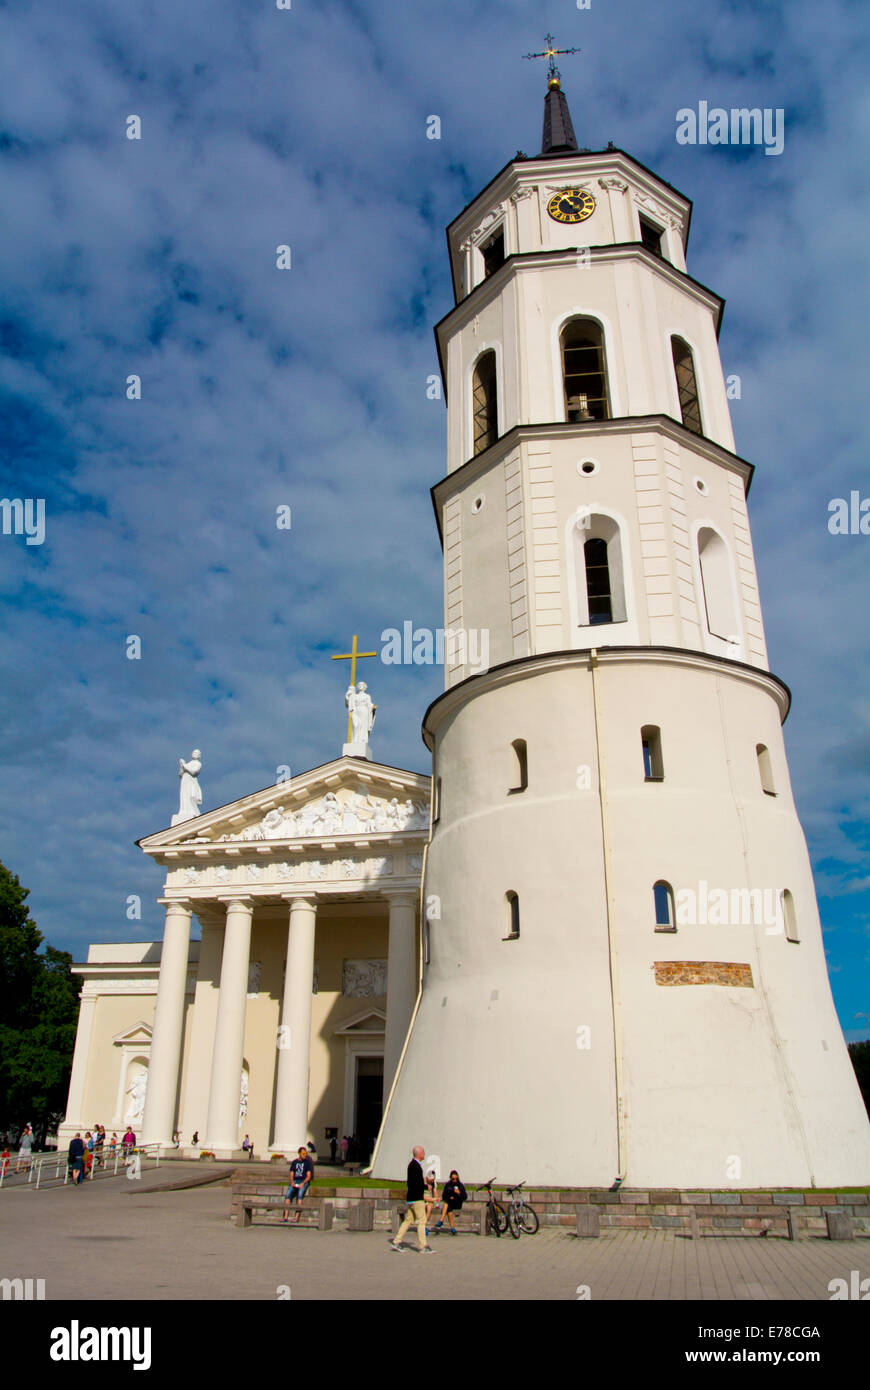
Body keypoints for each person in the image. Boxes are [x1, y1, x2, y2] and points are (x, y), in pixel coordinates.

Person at [390, 1145, 433, 1253]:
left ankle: (396, 1241)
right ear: (419, 1154)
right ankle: (423, 1246)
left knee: (408, 1220)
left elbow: (411, 1183)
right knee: (422, 1221)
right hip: (417, 1198)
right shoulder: (415, 1166)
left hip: (411, 1198)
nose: (424, 1153)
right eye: (423, 1152)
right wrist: (426, 1187)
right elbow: (416, 1183)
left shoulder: (412, 1165)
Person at [282, 1146, 315, 1224]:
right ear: (299, 1153)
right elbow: (291, 1173)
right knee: (288, 1195)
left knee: (300, 1195)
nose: (305, 1155)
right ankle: (285, 1217)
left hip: (303, 1181)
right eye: (303, 1153)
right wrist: (292, 1182)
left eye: (306, 1153)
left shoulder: (307, 1163)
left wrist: (302, 1183)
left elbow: (308, 1176)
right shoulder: (294, 1162)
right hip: (295, 1180)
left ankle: (296, 1217)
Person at [437, 1170, 468, 1235]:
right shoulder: (448, 1185)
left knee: (447, 1204)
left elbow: (465, 1196)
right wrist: (450, 1196)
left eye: (456, 1179)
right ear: (451, 1178)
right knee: (448, 1204)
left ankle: (442, 1220)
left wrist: (459, 1193)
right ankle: (452, 1228)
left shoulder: (460, 1185)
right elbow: (444, 1195)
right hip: (450, 1203)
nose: (455, 1180)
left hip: (458, 1203)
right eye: (453, 1179)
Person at [423, 1169, 439, 1234]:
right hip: (422, 1199)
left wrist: (437, 1202)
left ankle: (424, 1225)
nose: (432, 1181)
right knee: (425, 1206)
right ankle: (423, 1226)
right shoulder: (422, 1182)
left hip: (430, 1200)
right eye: (431, 1180)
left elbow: (435, 1192)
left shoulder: (433, 1183)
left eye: (433, 1180)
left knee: (429, 1207)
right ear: (427, 1178)